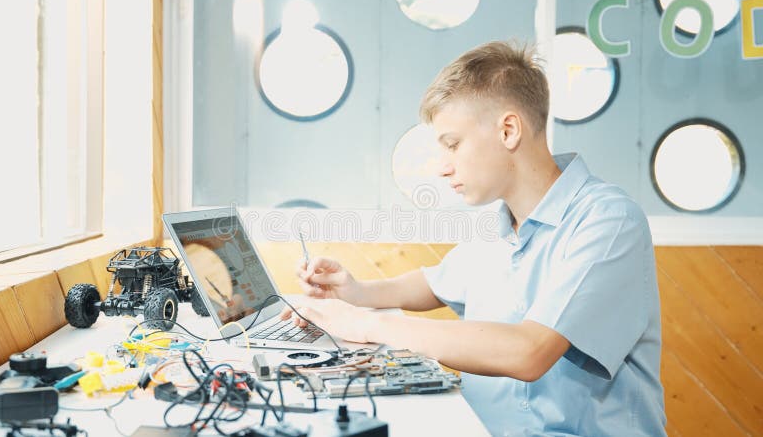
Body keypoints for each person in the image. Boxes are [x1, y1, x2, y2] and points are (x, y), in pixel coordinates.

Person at [281, 41, 666, 436]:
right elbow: (434, 283)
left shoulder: (608, 221)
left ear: (508, 130)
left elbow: (529, 351)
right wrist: (355, 291)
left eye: (453, 144)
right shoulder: (498, 226)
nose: (443, 168)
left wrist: (364, 324)